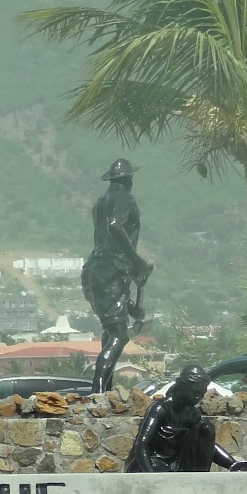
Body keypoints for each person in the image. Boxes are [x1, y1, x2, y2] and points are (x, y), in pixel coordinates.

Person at [82, 158, 153, 394]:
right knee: (119, 336)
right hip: (112, 268)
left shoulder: (101, 202)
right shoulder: (124, 198)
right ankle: (99, 393)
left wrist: (132, 308)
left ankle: (106, 392)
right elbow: (115, 226)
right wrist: (137, 261)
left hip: (95, 268)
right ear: (127, 179)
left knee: (111, 330)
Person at [125, 363, 247, 473]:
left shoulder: (193, 413)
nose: (199, 398)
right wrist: (150, 474)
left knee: (207, 428)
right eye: (195, 393)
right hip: (151, 462)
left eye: (201, 394)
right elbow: (142, 443)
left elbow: (207, 444)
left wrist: (233, 464)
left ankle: (200, 477)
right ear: (183, 387)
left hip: (177, 464)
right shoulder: (161, 408)